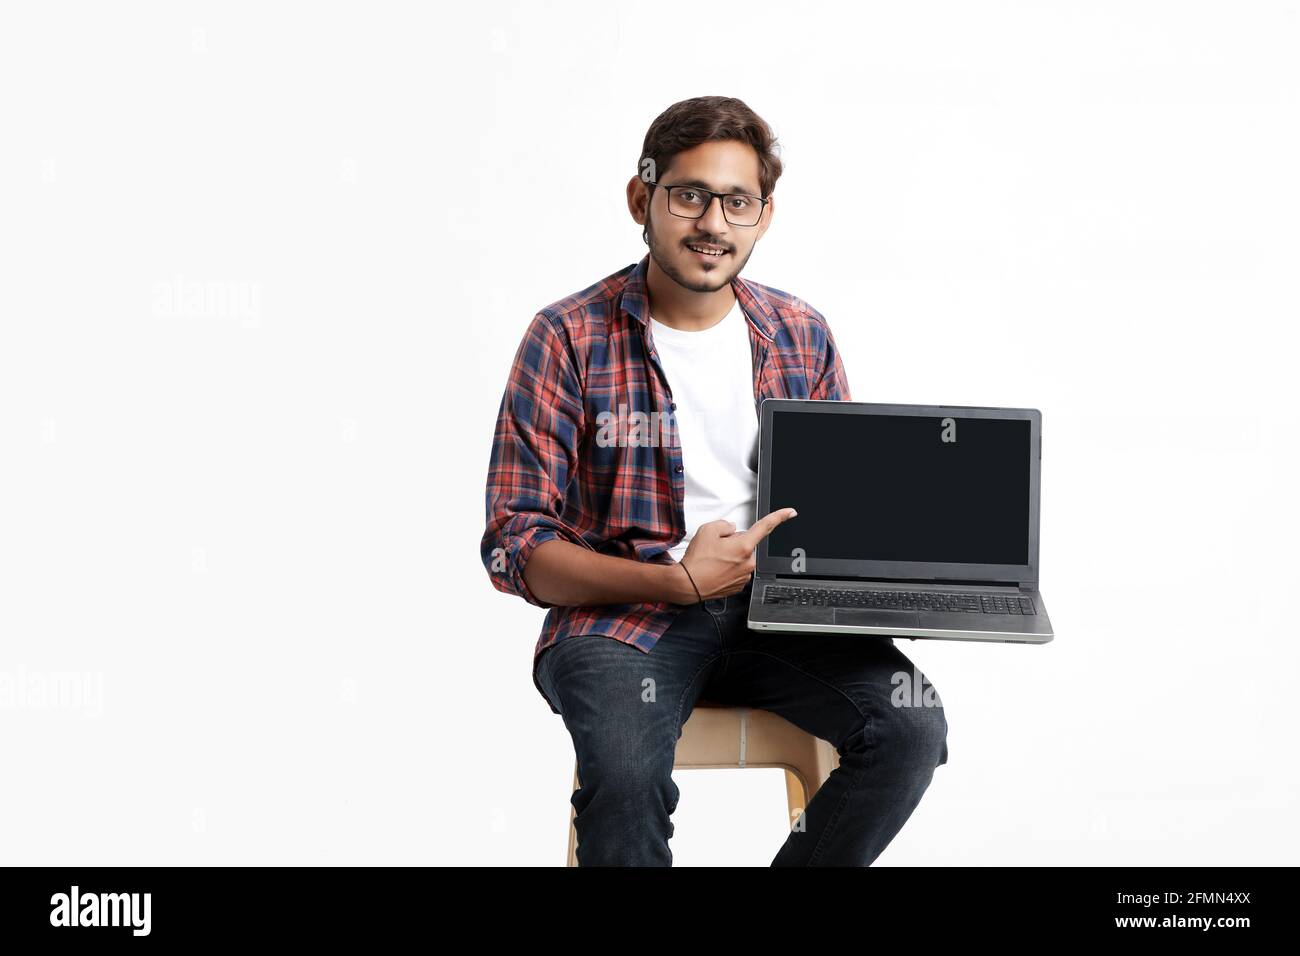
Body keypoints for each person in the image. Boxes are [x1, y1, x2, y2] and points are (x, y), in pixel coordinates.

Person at [481, 95, 947, 866]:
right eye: (690, 195)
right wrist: (678, 584)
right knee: (626, 774)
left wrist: (895, 586)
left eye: (738, 202)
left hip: (782, 621)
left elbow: (842, 508)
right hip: (624, 623)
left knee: (912, 726)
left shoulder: (799, 332)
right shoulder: (566, 335)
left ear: (764, 214)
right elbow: (514, 544)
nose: (713, 224)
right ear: (644, 198)